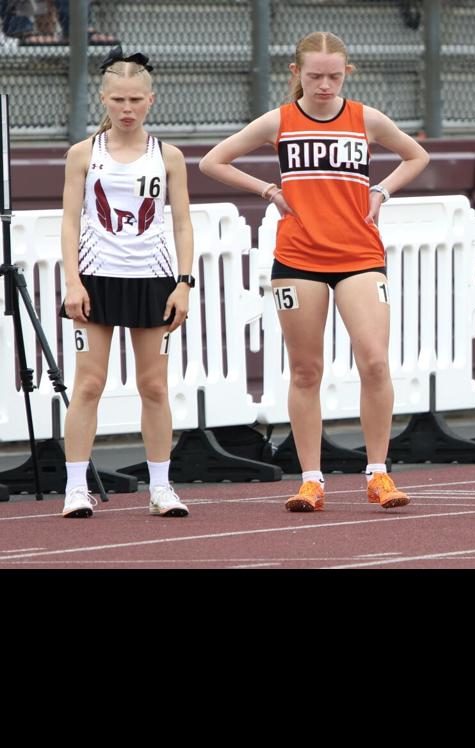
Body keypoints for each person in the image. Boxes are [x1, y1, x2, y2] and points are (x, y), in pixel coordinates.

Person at [199, 31, 430, 512]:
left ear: (348, 73)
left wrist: (382, 191)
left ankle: (378, 473)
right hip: (298, 258)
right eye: (315, 76)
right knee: (306, 369)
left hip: (359, 255)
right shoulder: (279, 121)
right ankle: (310, 480)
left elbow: (417, 155)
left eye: (334, 76)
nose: (325, 85)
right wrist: (267, 190)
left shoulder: (365, 118)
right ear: (296, 73)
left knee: (375, 360)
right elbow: (212, 161)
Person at [55, 50, 192, 519]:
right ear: (103, 99)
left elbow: (182, 223)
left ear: (151, 100)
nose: (127, 108)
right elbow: (70, 220)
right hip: (96, 279)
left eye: (135, 99)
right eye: (118, 99)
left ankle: (161, 488)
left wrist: (183, 283)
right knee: (89, 384)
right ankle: (76, 488)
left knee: (153, 385)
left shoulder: (168, 156)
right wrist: (72, 282)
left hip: (152, 280)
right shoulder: (83, 154)